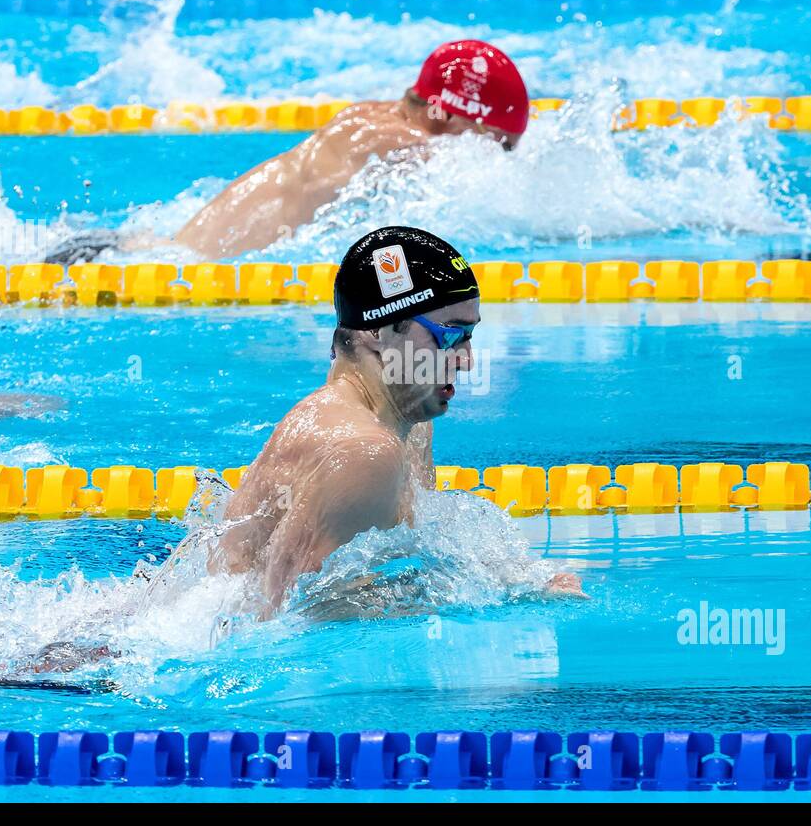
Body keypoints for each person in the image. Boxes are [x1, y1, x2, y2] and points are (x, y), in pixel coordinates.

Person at [214, 225, 582, 613]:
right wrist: (483, 606)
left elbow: (411, 550)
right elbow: (298, 620)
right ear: (377, 330)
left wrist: (511, 583)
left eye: (470, 337)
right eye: (451, 336)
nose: (467, 360)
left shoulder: (409, 425)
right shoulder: (362, 452)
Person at [46, 41, 531, 264]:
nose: (495, 158)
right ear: (455, 116)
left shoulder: (378, 118)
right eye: (497, 144)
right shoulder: (399, 142)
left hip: (148, 252)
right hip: (166, 271)